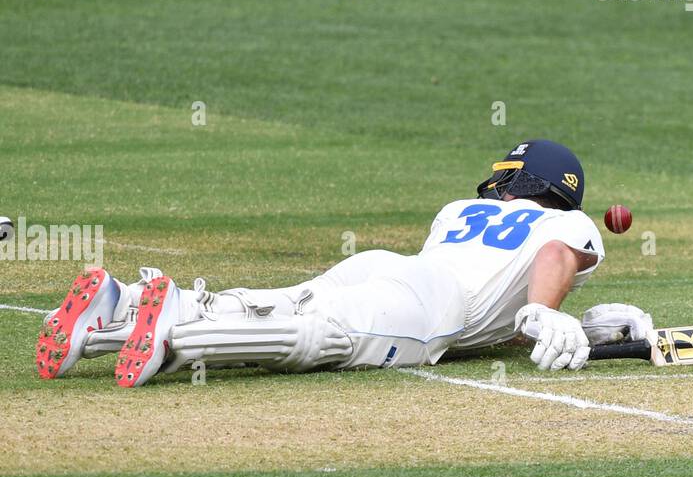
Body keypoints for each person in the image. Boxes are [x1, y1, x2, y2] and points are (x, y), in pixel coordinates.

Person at [36, 139, 652, 386]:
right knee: (318, 334)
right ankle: (173, 323)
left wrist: (572, 331)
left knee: (291, 300)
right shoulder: (567, 224)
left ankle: (109, 314)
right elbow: (552, 255)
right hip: (433, 306)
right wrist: (546, 313)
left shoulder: (460, 209)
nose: (499, 185)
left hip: (394, 269)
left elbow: (504, 308)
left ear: (530, 180)